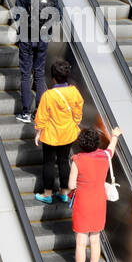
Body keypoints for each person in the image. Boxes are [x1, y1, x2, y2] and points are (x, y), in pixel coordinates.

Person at [68, 125, 123, 262]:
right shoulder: (104, 156)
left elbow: (71, 185)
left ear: (81, 144)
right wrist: (115, 135)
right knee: (95, 240)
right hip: (99, 203)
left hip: (83, 203)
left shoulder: (77, 160)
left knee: (80, 242)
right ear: (97, 143)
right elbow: (111, 148)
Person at [14, 0, 60, 123]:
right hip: (43, 38)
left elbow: (17, 15)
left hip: (27, 37)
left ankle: (26, 112)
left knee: (26, 75)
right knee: (39, 74)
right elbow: (58, 14)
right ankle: (38, 113)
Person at [34, 59, 83, 204]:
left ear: (53, 77)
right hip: (68, 134)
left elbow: (41, 117)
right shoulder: (74, 92)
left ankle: (47, 193)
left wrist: (38, 132)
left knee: (48, 163)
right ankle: (64, 192)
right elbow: (78, 112)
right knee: (63, 162)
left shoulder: (48, 95)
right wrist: (74, 123)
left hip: (50, 135)